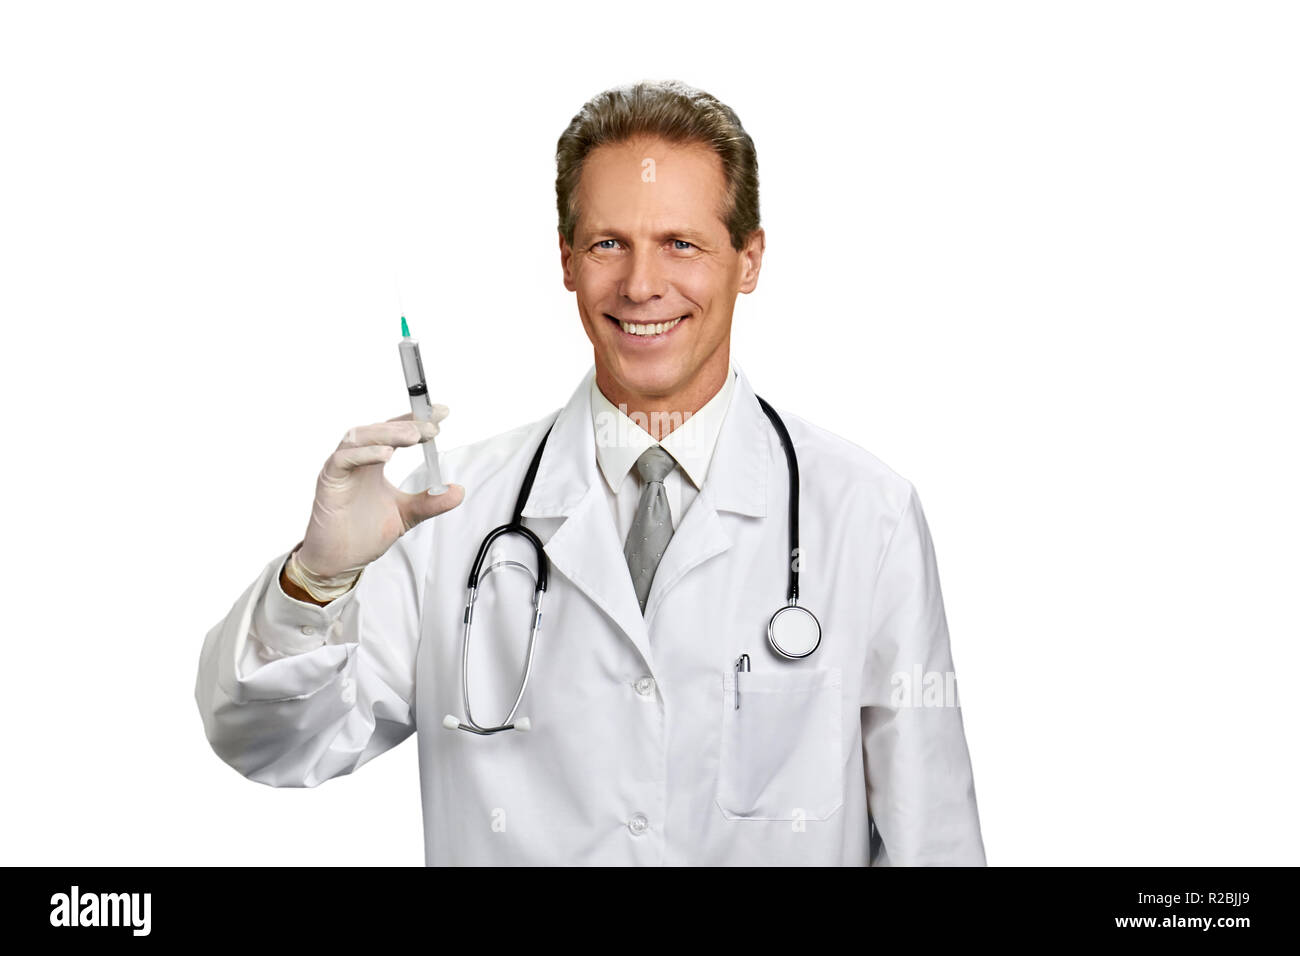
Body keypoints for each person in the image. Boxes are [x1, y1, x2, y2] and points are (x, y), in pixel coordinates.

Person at [195, 78, 987, 866]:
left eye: (681, 243)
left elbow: (935, 843)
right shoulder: (450, 518)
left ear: (748, 260)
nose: (642, 285)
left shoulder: (864, 516)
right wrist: (317, 580)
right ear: (567, 261)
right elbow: (270, 744)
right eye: (609, 243)